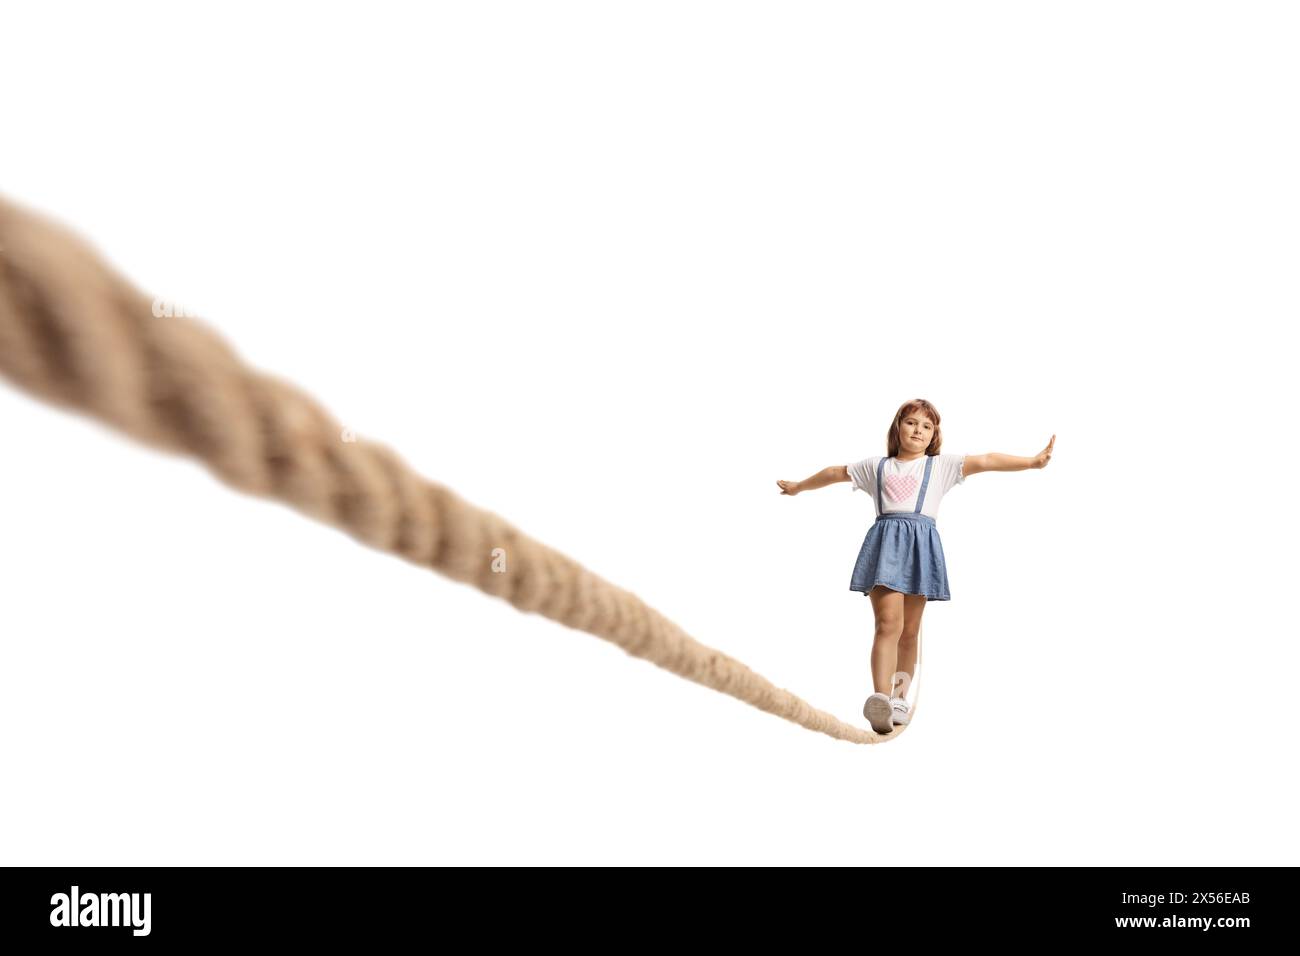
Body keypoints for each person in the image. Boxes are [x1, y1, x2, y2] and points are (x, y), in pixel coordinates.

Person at [776, 398, 1055, 736]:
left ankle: (898, 698)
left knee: (910, 630)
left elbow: (986, 460)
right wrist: (798, 487)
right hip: (886, 544)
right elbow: (835, 472)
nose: (918, 430)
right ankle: (879, 699)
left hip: (921, 547)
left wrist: (1032, 462)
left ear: (934, 434)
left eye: (926, 426)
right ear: (898, 427)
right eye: (911, 423)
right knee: (887, 623)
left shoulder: (940, 467)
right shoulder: (876, 467)